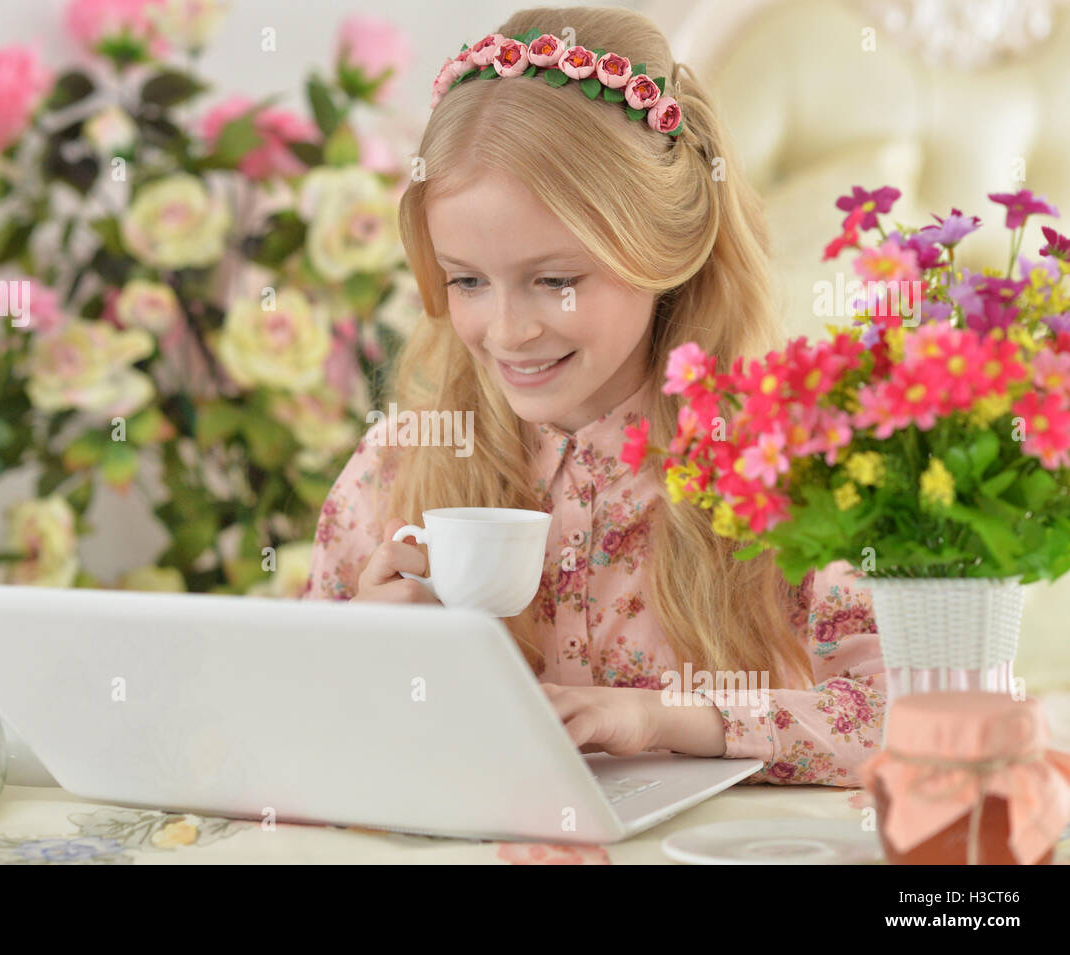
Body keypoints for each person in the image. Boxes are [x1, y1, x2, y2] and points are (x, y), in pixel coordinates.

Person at [302, 6, 884, 786]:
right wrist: (366, 665)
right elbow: (299, 726)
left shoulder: (785, 464)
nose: (506, 331)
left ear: (666, 252)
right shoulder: (398, 466)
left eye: (555, 280)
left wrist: (662, 719)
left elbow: (896, 716)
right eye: (467, 280)